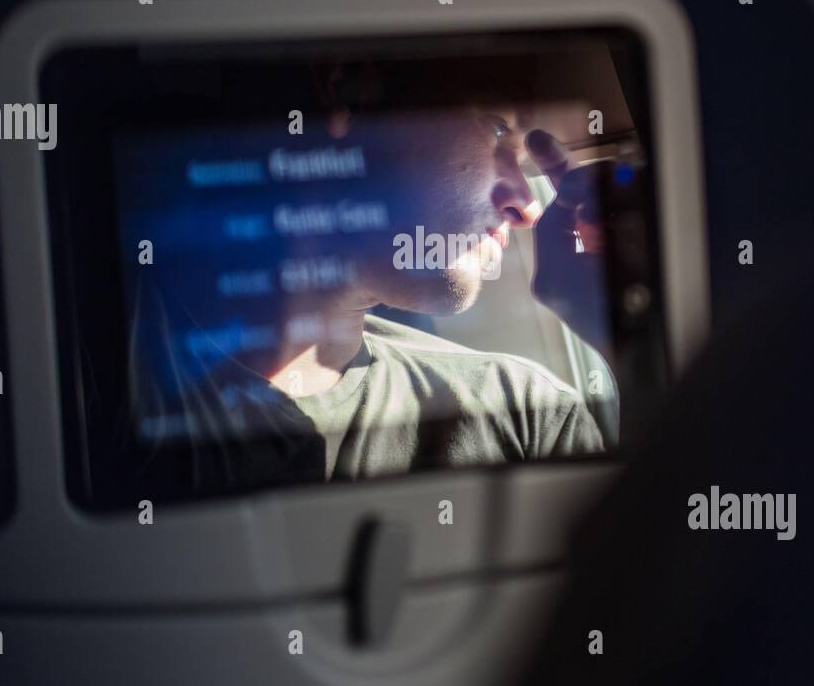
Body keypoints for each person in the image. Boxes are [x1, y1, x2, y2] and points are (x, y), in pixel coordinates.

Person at [130, 50, 619, 495]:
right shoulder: (108, 372)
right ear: (348, 90)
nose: (527, 207)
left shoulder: (528, 416)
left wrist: (623, 319)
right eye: (495, 129)